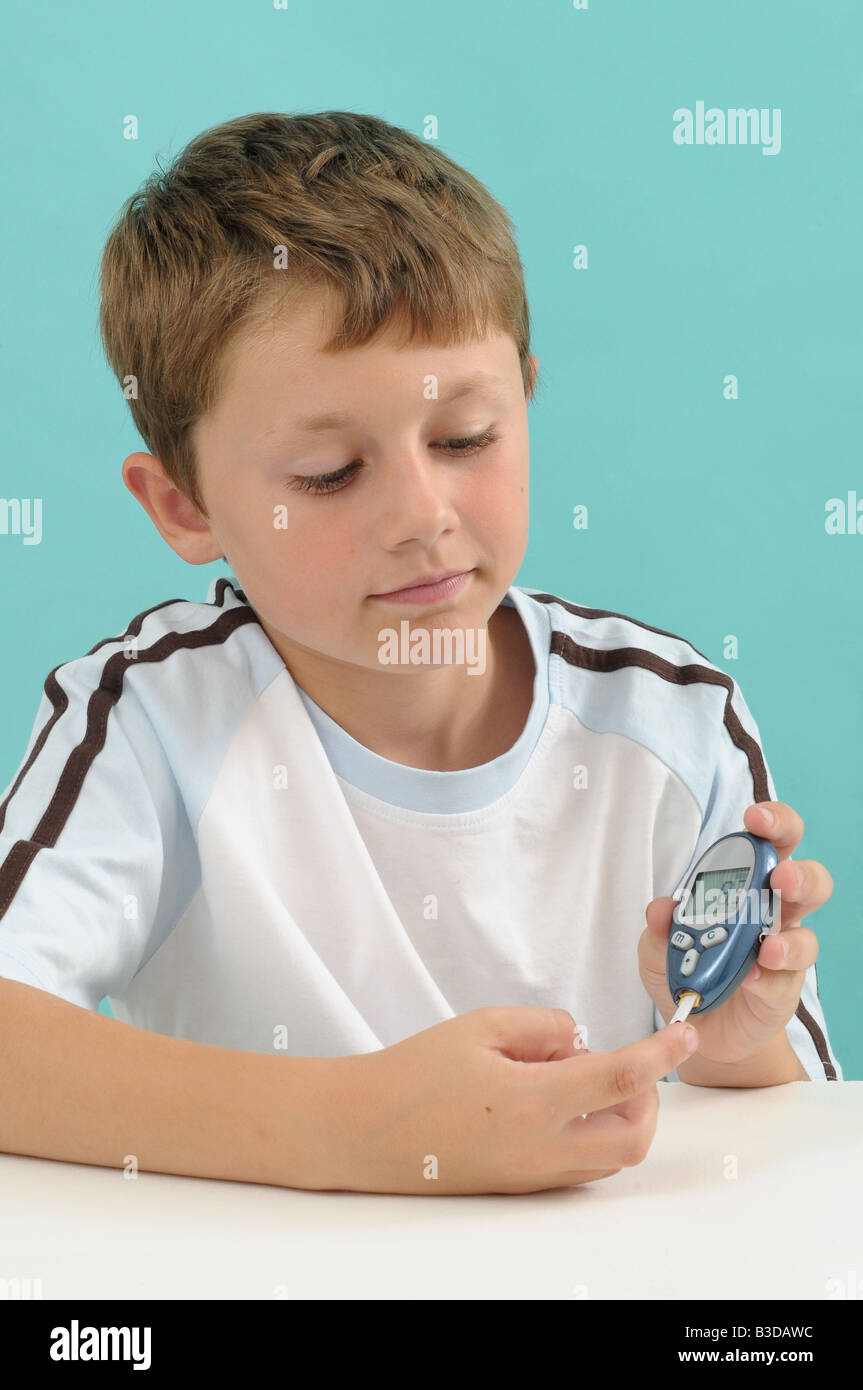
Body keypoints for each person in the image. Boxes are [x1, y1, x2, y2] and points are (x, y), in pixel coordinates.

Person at [0, 111, 842, 1198]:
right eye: (327, 472)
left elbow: (797, 1147)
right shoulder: (153, 719)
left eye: (464, 440)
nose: (421, 514)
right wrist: (358, 1130)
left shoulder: (671, 717)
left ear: (524, 402)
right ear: (183, 504)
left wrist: (733, 1057)